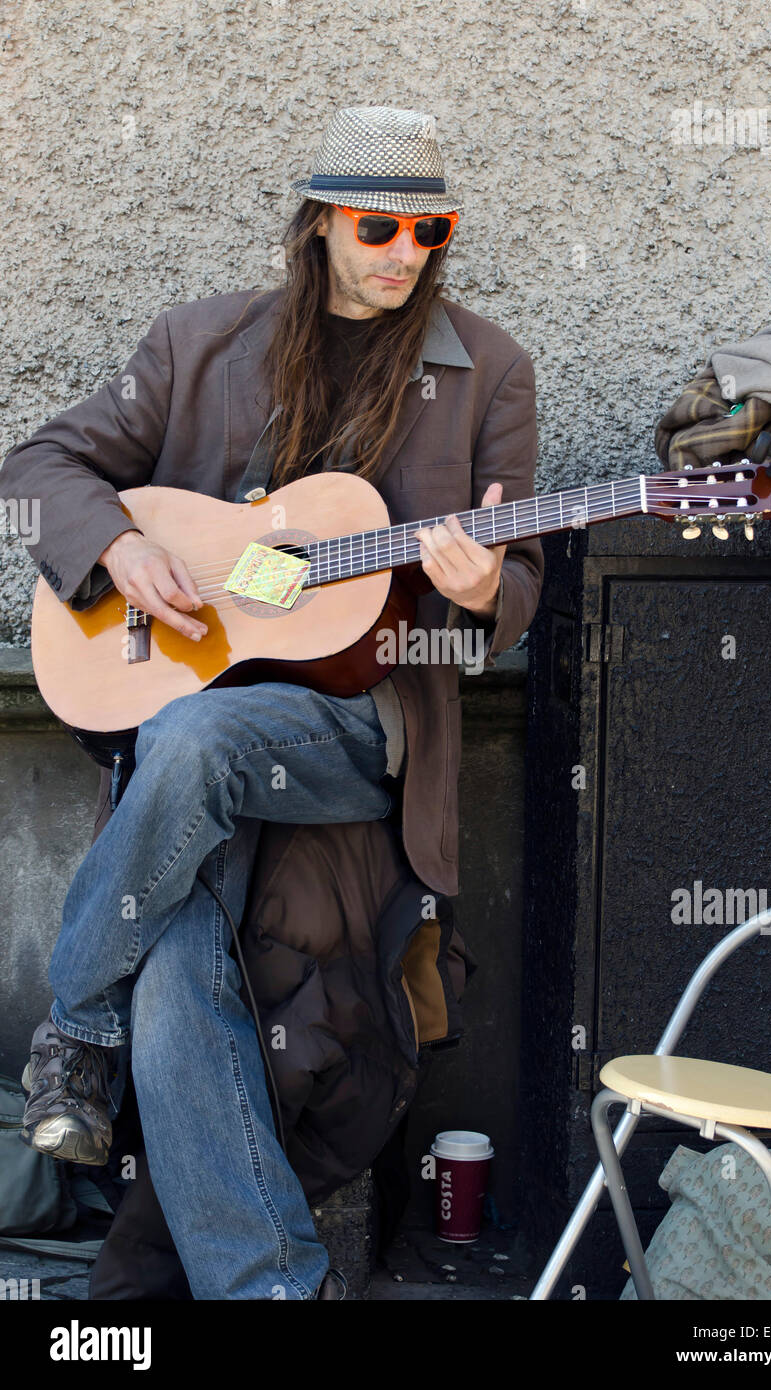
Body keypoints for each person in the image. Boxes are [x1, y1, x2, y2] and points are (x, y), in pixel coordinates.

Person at [0, 105, 544, 1299]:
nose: (405, 253)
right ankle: (272, 1286)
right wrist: (113, 552)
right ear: (319, 223)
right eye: (378, 225)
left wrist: (482, 588)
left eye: (429, 231)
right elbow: (34, 472)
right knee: (179, 949)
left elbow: (520, 594)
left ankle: (70, 1030)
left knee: (187, 737)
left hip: (364, 728)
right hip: (209, 695)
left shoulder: (489, 372)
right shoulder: (200, 346)